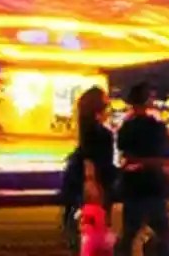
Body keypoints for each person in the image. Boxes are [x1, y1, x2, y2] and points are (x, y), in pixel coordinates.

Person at [115, 83, 169, 256]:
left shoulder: (126, 128)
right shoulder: (157, 128)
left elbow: (123, 155)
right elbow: (167, 158)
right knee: (163, 233)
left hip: (133, 186)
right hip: (154, 185)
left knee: (129, 233)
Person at [62, 87, 117, 255]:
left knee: (84, 226)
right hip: (94, 182)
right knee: (95, 226)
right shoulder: (100, 133)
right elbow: (91, 158)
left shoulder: (86, 130)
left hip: (81, 181)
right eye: (106, 104)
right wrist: (91, 180)